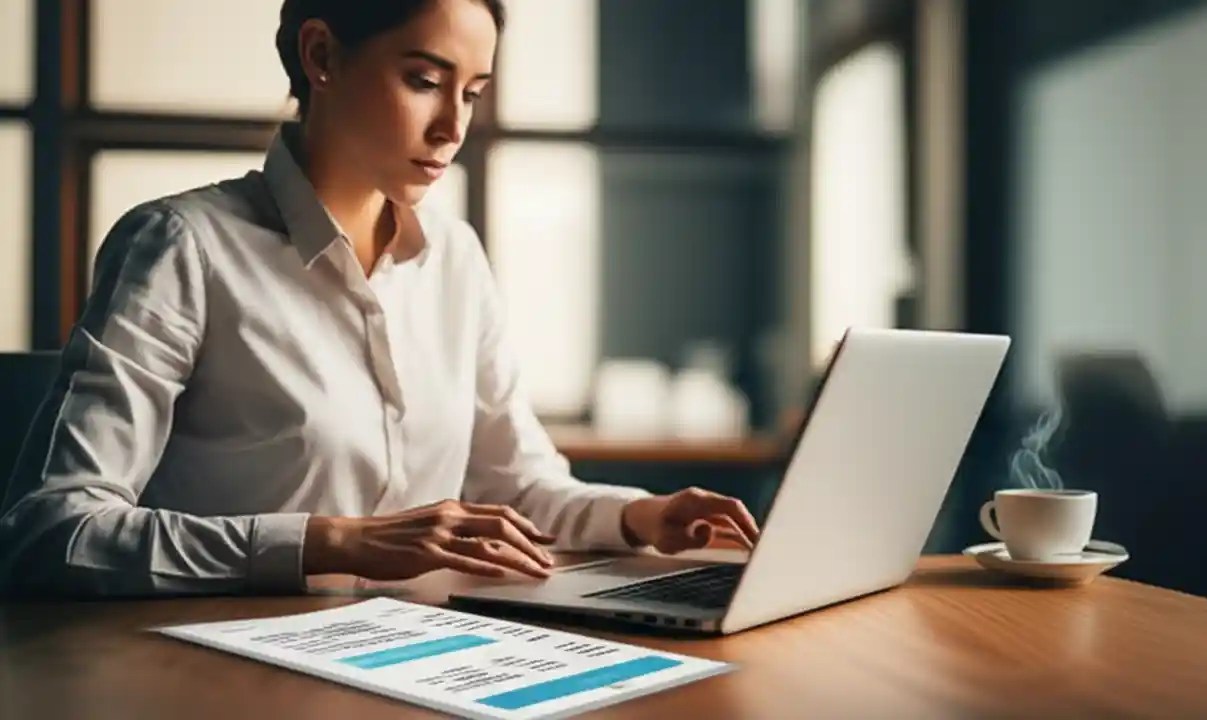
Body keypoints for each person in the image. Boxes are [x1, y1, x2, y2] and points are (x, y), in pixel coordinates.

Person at [0, 0, 759, 597]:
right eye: (425, 81)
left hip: (422, 656)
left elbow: (517, 485)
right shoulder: (182, 247)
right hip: (226, 670)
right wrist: (334, 541)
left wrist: (642, 517)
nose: (453, 126)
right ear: (321, 55)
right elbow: (51, 530)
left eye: (474, 92)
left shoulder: (455, 258)